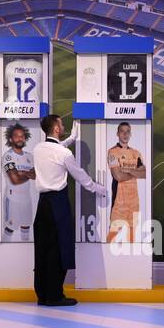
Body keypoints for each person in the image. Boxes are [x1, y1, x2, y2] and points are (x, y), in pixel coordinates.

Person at [33, 113, 105, 306]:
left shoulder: (38, 149)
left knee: (42, 250)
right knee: (58, 250)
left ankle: (42, 295)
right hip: (58, 204)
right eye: (61, 124)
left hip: (42, 206)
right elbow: (80, 176)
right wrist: (98, 188)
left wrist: (70, 140)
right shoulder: (65, 154)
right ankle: (55, 296)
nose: (63, 126)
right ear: (56, 128)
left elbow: (54, 150)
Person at [107, 122, 146, 242]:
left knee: (132, 238)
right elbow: (118, 176)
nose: (125, 134)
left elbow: (144, 174)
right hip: (119, 200)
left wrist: (127, 169)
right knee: (112, 238)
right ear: (117, 134)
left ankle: (130, 261)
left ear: (130, 134)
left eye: (127, 131)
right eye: (122, 131)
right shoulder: (112, 152)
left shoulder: (136, 153)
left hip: (134, 201)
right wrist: (135, 172)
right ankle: (110, 260)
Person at [1, 123, 36, 243]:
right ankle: (4, 253)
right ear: (11, 139)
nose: (19, 138)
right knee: (10, 229)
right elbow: (14, 180)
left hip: (27, 199)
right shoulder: (8, 156)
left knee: (26, 227)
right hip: (13, 199)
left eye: (22, 136)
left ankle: (24, 256)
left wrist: (21, 172)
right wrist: (28, 173)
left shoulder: (30, 157)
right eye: (16, 136)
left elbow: (35, 175)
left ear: (25, 138)